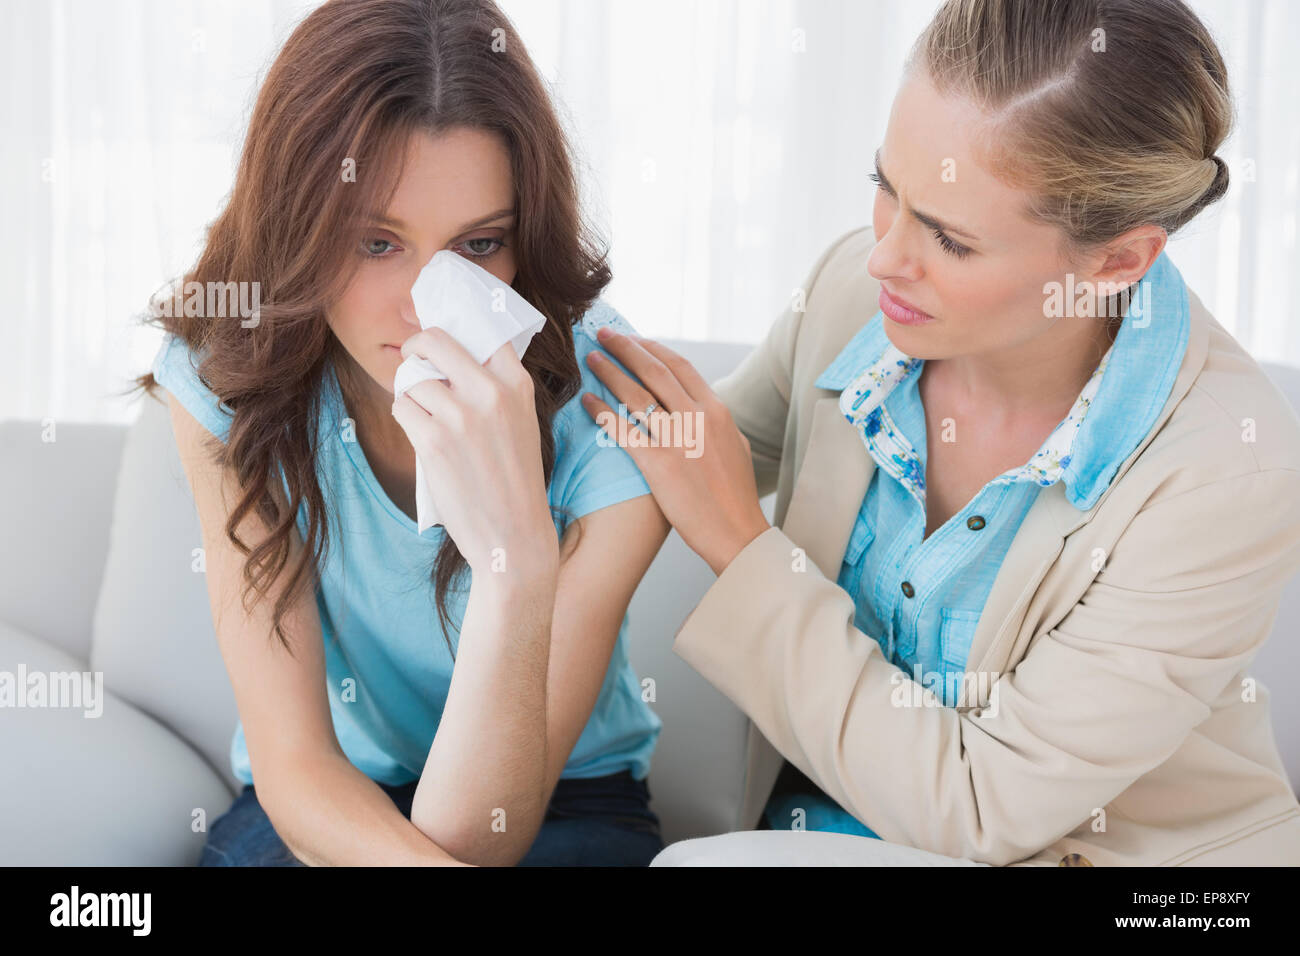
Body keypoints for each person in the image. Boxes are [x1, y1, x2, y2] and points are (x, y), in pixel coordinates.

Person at [583, 0, 1300, 866]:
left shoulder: (1230, 474)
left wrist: (740, 544)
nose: (885, 253)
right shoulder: (856, 292)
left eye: (951, 240)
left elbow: (981, 809)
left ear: (1115, 261)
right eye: (887, 187)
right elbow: (674, 447)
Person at [131, 0, 667, 867]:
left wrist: (516, 559)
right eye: (376, 243)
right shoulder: (224, 377)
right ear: (297, 229)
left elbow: (482, 835)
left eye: (480, 244)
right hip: (333, 792)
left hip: (558, 797)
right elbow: (297, 764)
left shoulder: (609, 400)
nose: (427, 304)